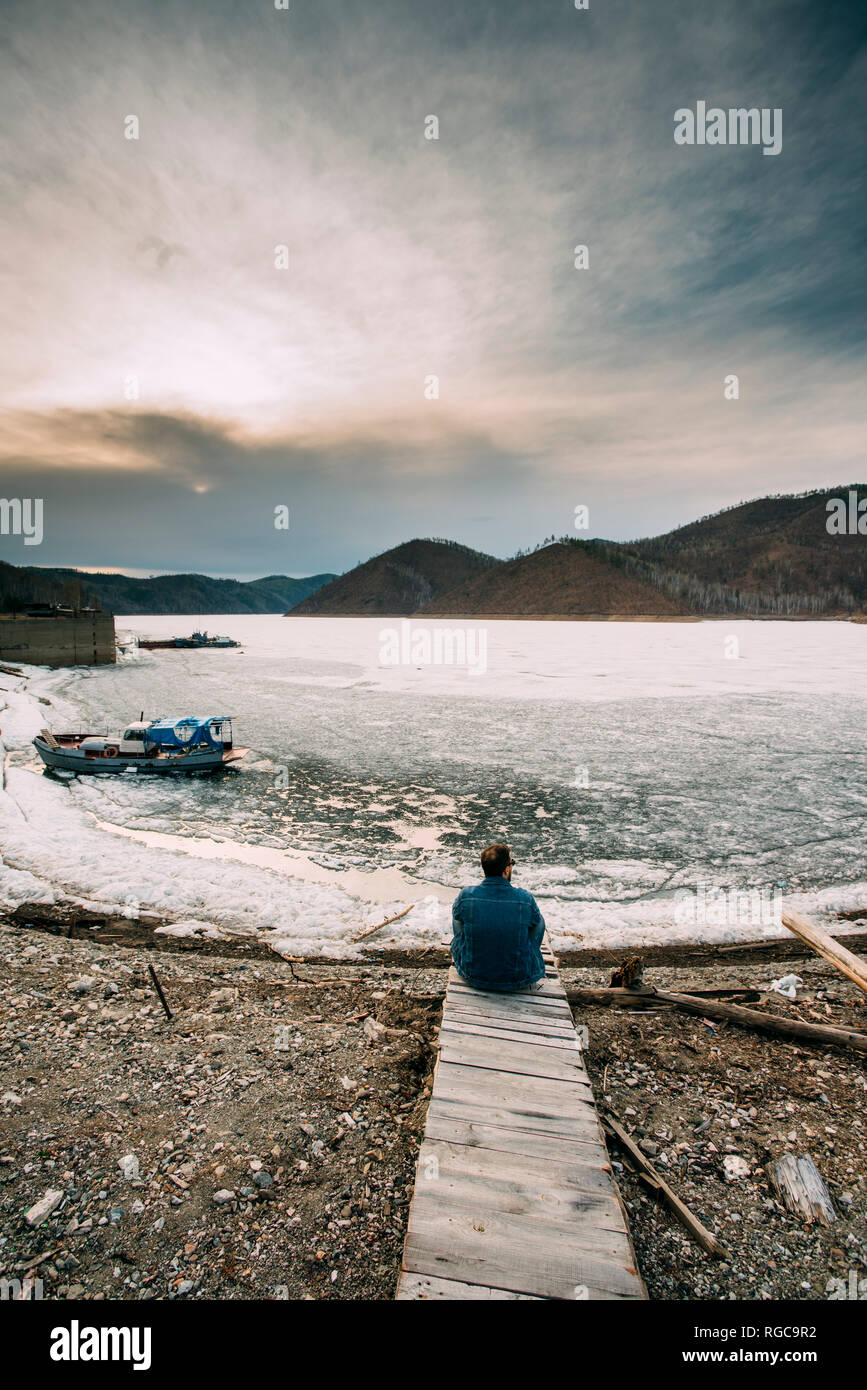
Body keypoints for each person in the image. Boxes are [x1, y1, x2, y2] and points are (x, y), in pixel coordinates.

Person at [450, 843, 546, 992]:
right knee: (539, 921)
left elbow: (458, 918)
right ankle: (527, 955)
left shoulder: (467, 896)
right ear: (506, 870)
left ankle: (472, 955)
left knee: (458, 917)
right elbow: (535, 925)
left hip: (475, 975)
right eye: (511, 863)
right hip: (518, 978)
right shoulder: (525, 899)